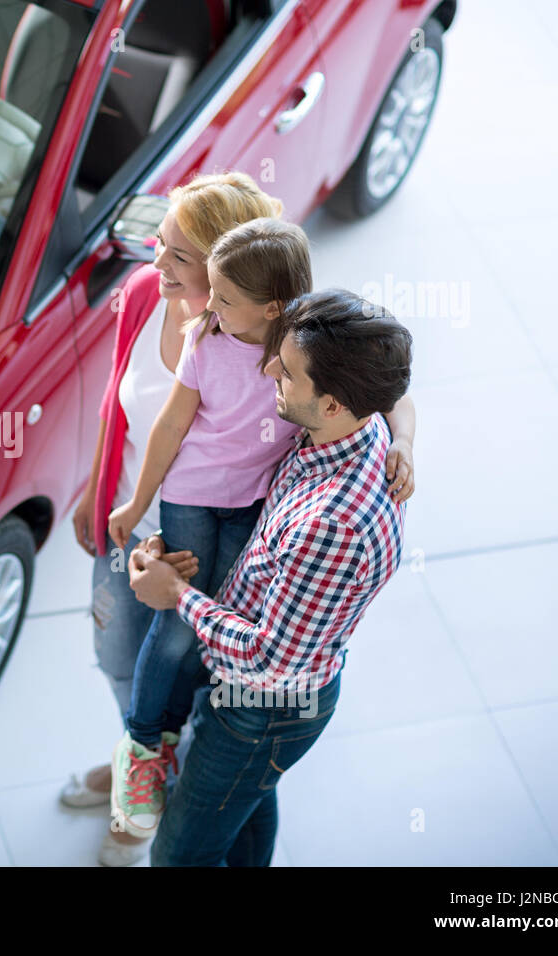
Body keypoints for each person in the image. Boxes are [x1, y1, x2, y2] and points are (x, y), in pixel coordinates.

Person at [62, 173, 416, 865]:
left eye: (177, 256)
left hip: (232, 574)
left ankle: (160, 774)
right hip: (149, 517)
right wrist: (109, 493)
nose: (156, 264)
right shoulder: (163, 305)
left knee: (185, 663)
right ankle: (143, 755)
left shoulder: (304, 357)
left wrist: (404, 443)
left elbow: (389, 383)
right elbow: (124, 403)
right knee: (119, 655)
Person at [127, 288, 414, 866]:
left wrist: (175, 594)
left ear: (332, 403)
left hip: (263, 709)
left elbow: (268, 659)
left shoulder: (335, 526)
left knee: (179, 856)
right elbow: (399, 394)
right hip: (252, 693)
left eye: (286, 373)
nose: (269, 371)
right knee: (248, 803)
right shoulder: (352, 418)